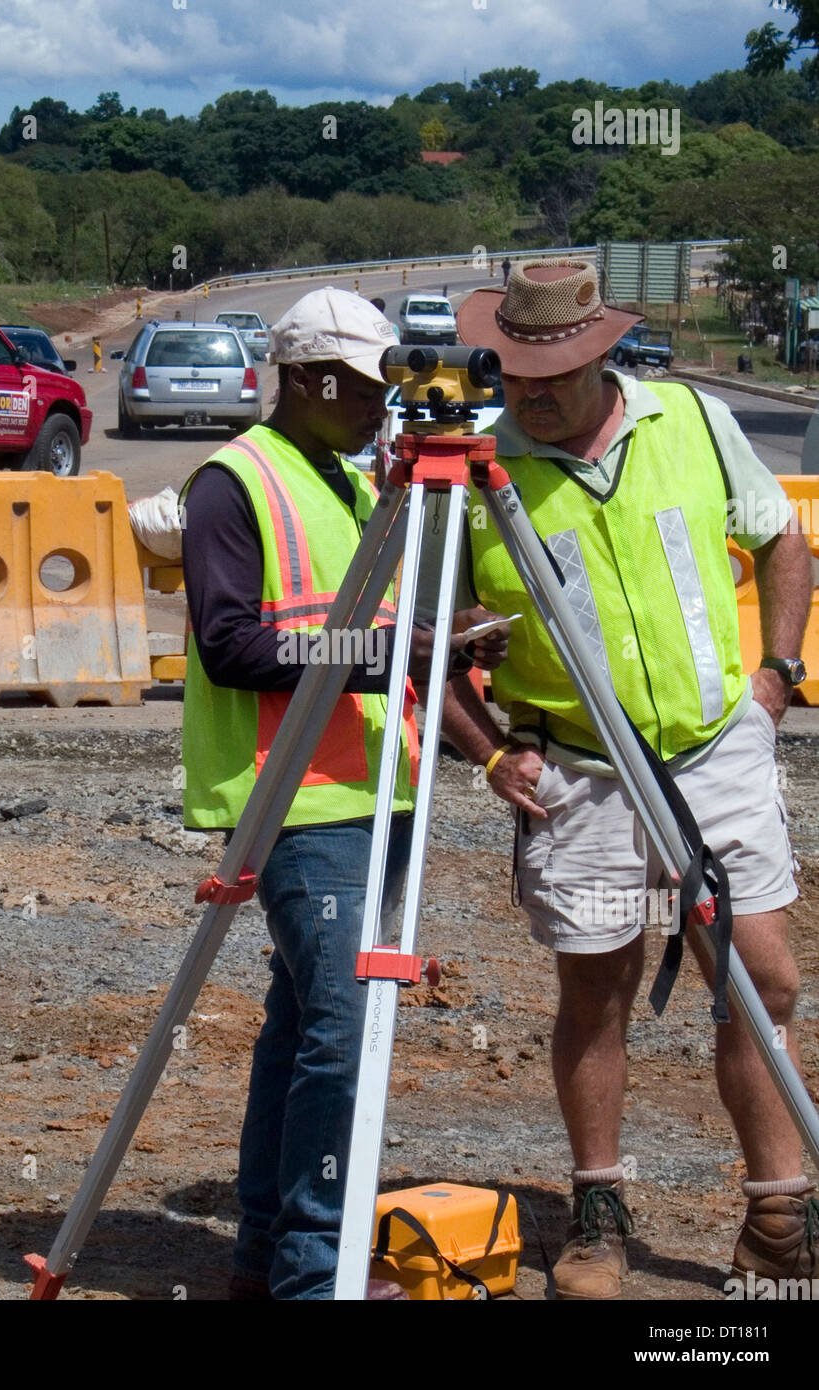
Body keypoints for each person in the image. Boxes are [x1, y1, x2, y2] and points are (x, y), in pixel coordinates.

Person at [443, 258, 815, 1300]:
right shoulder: (476, 469)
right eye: (513, 368)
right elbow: (421, 645)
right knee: (596, 989)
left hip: (714, 753)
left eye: (553, 368)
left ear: (602, 353)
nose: (531, 387)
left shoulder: (688, 422)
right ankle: (598, 1211)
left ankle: (779, 1217)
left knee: (761, 982)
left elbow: (782, 538)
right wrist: (488, 751)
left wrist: (778, 674)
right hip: (580, 769)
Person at [179, 286, 498, 1299]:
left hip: (376, 788)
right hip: (297, 804)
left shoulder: (361, 486)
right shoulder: (235, 484)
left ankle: (264, 1253)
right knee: (343, 1032)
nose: (381, 410)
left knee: (295, 1030)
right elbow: (233, 644)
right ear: (305, 377)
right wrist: (386, 652)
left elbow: (384, 641)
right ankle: (314, 1273)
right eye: (362, 389)